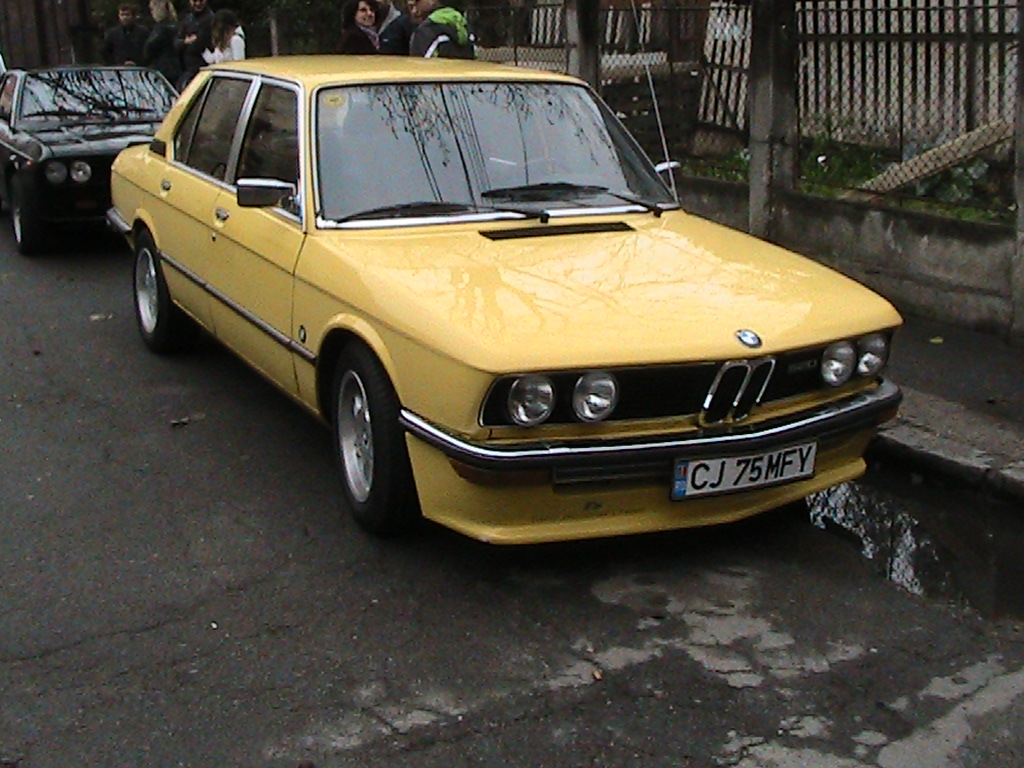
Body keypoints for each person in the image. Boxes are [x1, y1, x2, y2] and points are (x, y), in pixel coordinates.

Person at [408, 0, 475, 59]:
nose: (414, 10)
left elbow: (418, 66)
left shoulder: (426, 30)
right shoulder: (463, 26)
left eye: (417, 1)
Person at [176, 0, 215, 88]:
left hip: (203, 69)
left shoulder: (210, 19)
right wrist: (185, 42)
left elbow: (199, 45)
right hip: (186, 69)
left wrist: (186, 43)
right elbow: (176, 44)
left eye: (201, 0)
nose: (198, 4)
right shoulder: (187, 19)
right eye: (194, 1)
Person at [143, 0, 181, 86]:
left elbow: (149, 49)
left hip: (163, 71)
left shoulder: (161, 29)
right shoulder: (174, 25)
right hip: (174, 69)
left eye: (152, 9)